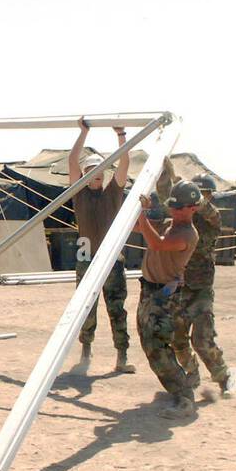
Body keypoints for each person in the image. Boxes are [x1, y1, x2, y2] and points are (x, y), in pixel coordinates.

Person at [154, 167, 232, 397]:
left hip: (201, 290)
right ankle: (192, 373)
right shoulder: (180, 218)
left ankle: (223, 376)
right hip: (180, 287)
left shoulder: (212, 218)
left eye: (204, 194)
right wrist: (163, 175)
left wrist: (190, 192)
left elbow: (205, 208)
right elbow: (164, 197)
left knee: (202, 339)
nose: (201, 198)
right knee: (177, 339)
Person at [69, 119, 135, 373]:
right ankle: (86, 351)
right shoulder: (78, 193)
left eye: (100, 171)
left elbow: (124, 164)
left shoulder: (112, 193)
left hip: (112, 259)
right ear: (85, 177)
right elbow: (72, 163)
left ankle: (122, 356)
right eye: (90, 173)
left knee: (116, 307)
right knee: (86, 309)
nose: (96, 176)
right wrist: (83, 133)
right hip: (86, 258)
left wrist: (121, 136)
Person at [134, 182, 201, 418]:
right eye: (172, 207)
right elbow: (140, 230)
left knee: (157, 347)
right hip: (149, 291)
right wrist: (136, 213)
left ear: (193, 208)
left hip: (164, 297)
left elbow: (157, 244)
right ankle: (180, 386)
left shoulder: (187, 234)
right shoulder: (170, 225)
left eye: (179, 208)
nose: (173, 211)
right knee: (148, 343)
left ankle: (184, 396)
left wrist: (142, 214)